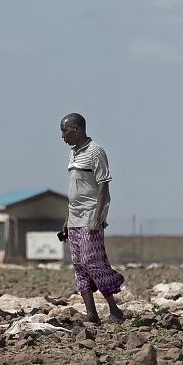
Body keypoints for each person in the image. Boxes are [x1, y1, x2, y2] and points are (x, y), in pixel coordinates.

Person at [59, 113, 125, 324]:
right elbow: (75, 189)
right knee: (79, 264)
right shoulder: (73, 154)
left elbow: (104, 185)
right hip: (74, 217)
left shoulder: (95, 151)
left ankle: (115, 311)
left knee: (92, 261)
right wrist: (67, 220)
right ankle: (91, 314)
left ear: (77, 129)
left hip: (90, 216)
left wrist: (97, 217)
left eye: (65, 130)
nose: (62, 136)